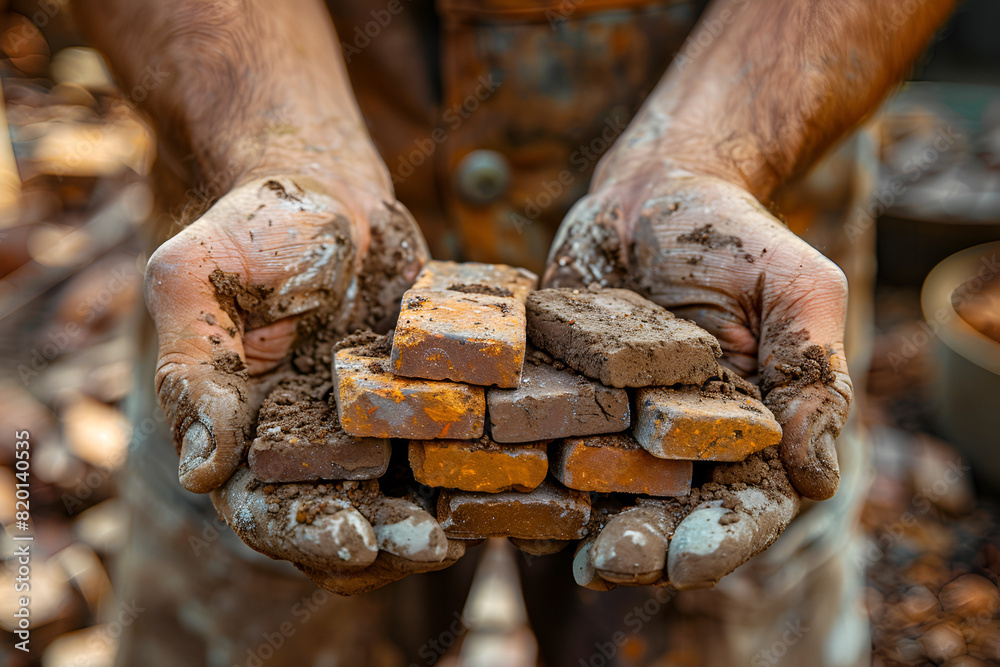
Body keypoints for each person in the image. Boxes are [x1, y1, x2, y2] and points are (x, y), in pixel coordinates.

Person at [71, 0, 954, 664]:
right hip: (278, 282)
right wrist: (284, 152)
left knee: (717, 596)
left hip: (722, 261)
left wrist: (706, 157)